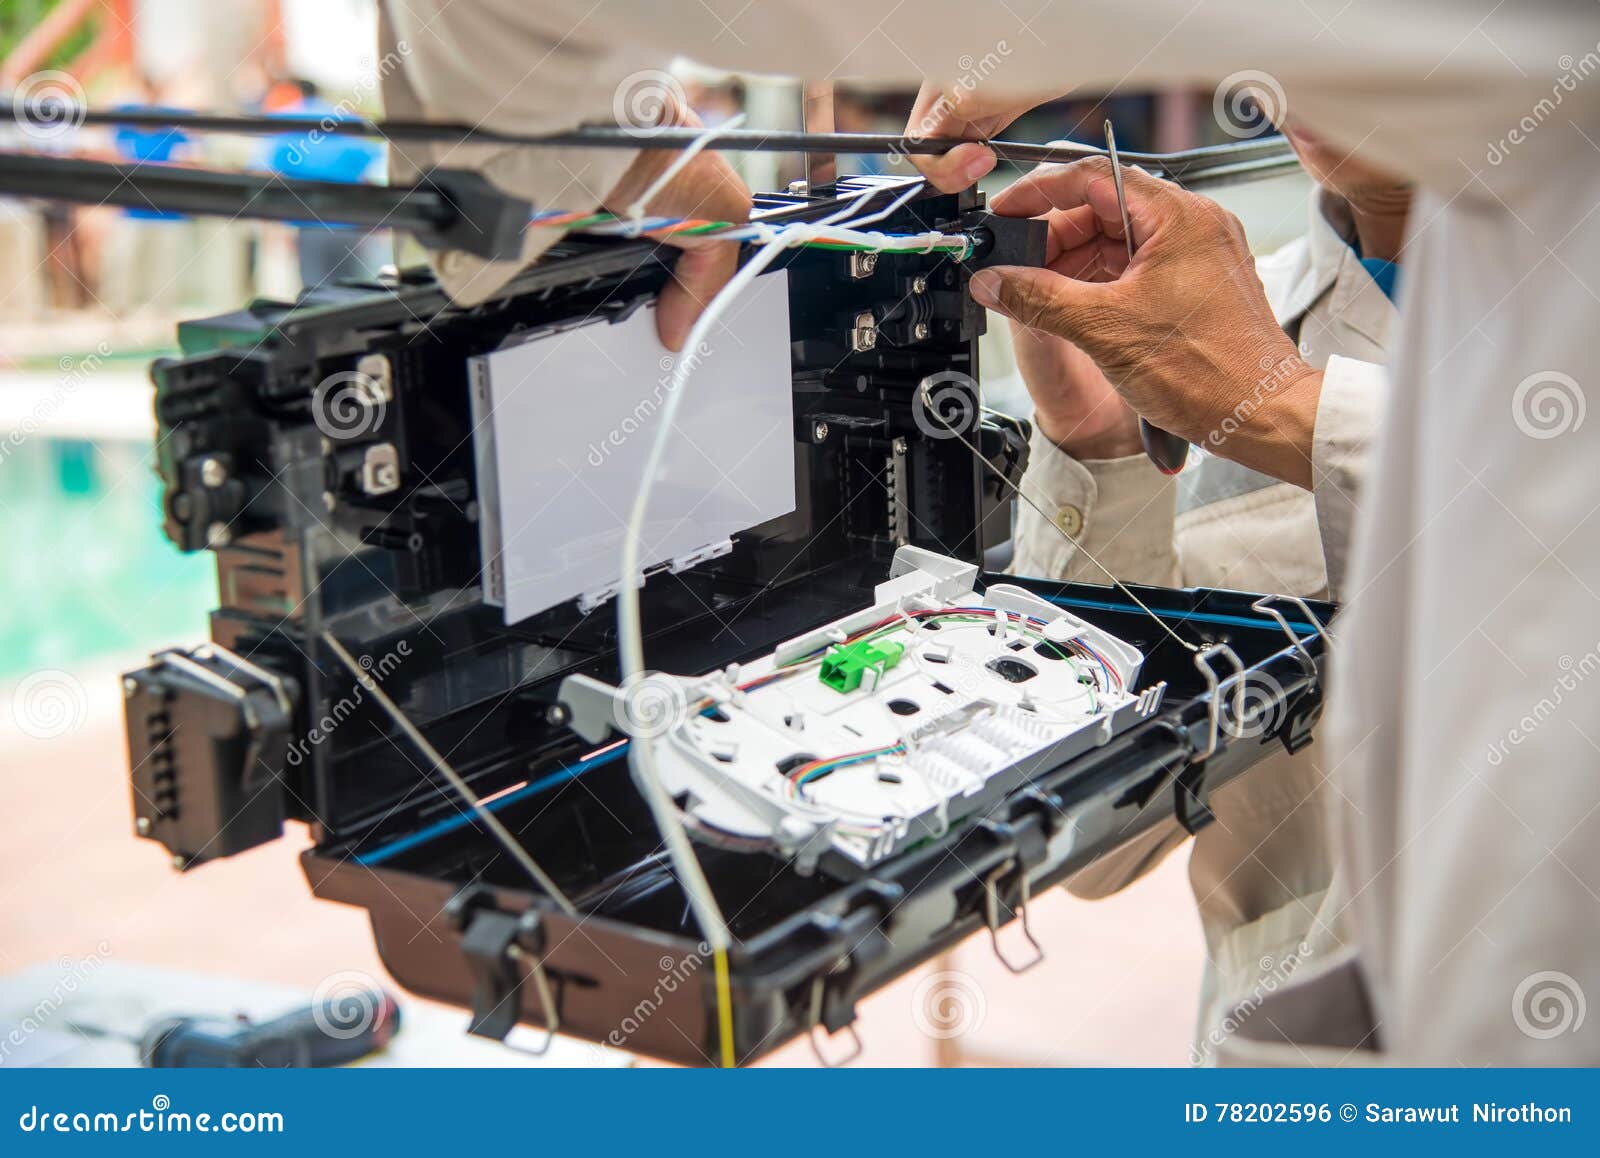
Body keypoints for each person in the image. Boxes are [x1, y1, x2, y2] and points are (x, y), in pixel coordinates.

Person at [377, 0, 1600, 1063]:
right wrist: (1098, 443)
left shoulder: (1299, 344)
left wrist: (1279, 407)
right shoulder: (1243, 304)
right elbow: (1113, 844)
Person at [975, 126, 1409, 1056]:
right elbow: (1088, 843)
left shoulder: (1238, 365)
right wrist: (1100, 452)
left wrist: (1286, 406)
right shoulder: (1205, 334)